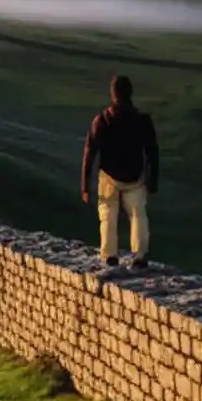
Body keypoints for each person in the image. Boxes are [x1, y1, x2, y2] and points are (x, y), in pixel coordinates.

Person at [80, 75, 159, 267]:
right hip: (135, 176)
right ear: (130, 93)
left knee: (108, 214)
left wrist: (85, 186)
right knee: (138, 214)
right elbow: (152, 151)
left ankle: (110, 255)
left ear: (113, 94)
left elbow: (90, 152)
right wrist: (152, 178)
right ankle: (139, 255)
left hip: (108, 176)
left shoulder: (102, 121)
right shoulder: (142, 120)